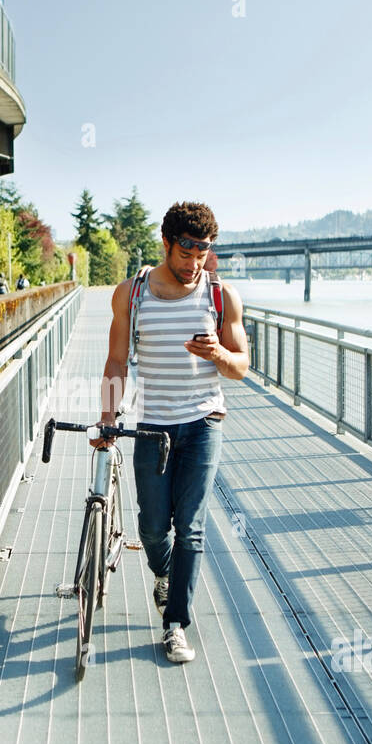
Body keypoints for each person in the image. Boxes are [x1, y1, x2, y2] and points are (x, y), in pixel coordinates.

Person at [93, 201, 249, 664]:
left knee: (192, 530)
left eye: (204, 251)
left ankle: (175, 624)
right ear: (166, 243)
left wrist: (218, 354)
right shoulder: (131, 294)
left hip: (203, 422)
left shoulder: (222, 297)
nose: (195, 262)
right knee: (154, 526)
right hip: (151, 424)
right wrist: (107, 416)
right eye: (187, 250)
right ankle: (164, 574)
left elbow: (241, 366)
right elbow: (118, 361)